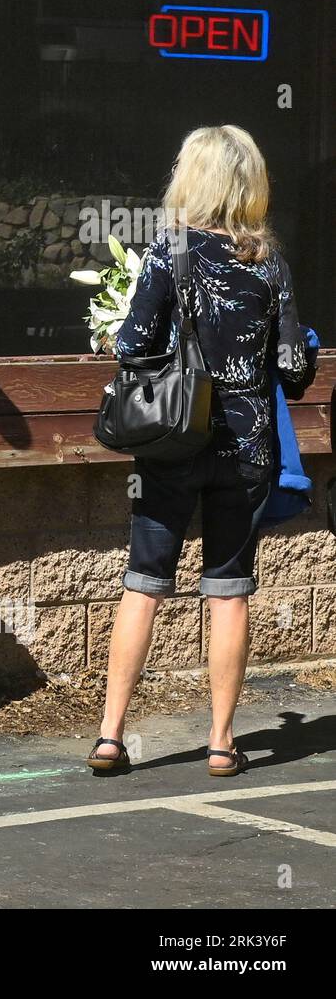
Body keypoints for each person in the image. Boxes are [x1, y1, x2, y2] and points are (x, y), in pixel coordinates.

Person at [89, 125, 316, 777]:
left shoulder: (169, 253)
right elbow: (295, 371)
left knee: (143, 583)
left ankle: (110, 736)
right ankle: (220, 742)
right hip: (248, 448)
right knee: (230, 591)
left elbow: (132, 345)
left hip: (171, 442)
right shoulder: (269, 264)